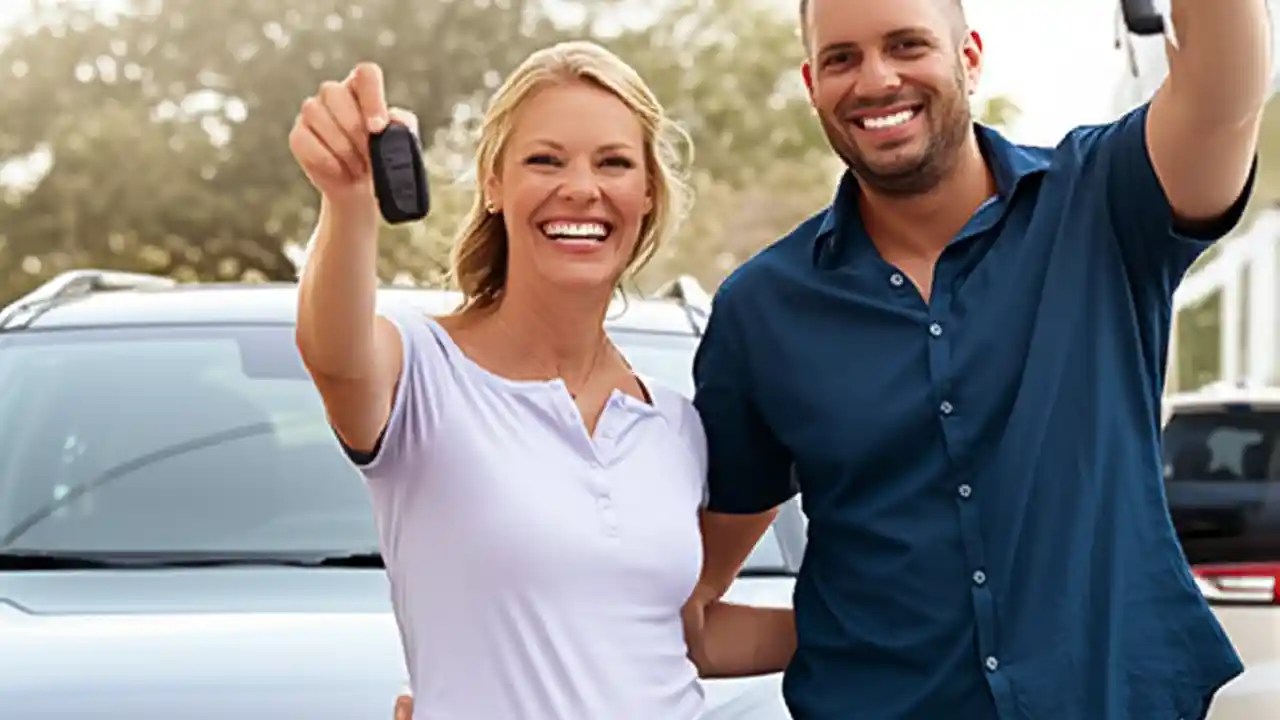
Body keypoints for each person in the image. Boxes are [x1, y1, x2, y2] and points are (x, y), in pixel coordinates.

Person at [682, 0, 1271, 719]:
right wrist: (852, 636)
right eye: (842, 58)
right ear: (812, 84)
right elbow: (690, 598)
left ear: (969, 58)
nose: (875, 80)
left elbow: (1225, 95)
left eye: (907, 45)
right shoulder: (762, 311)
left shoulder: (1102, 203)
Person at [289, 41, 793, 720]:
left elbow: (681, 633)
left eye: (613, 163)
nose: (582, 188)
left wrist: (903, 625)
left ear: (646, 193)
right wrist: (348, 202)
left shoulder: (673, 425)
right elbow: (334, 353)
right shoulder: (422, 369)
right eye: (545, 160)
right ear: (494, 184)